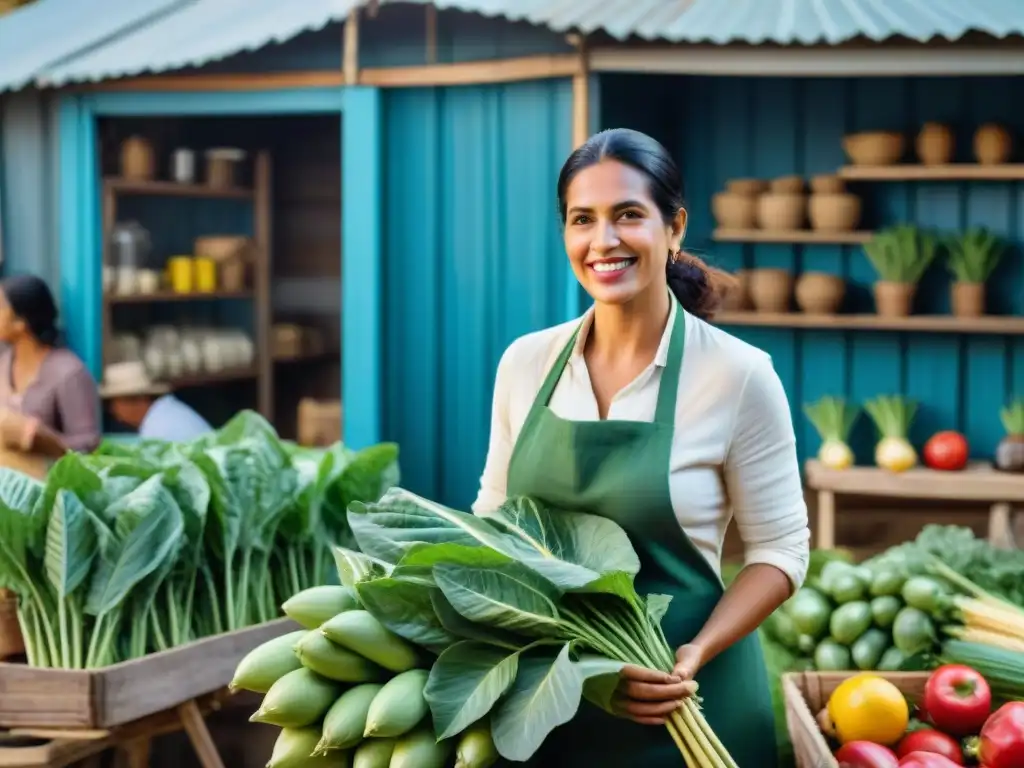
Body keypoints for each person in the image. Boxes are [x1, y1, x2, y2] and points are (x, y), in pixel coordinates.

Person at [473, 128, 810, 767]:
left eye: (628, 214)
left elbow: (781, 550)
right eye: (583, 219)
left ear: (674, 227)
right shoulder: (526, 364)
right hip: (553, 703)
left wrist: (696, 654)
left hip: (690, 708)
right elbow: (495, 520)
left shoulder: (737, 375)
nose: (604, 240)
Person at [0, 274, 101, 458]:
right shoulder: (3, 364)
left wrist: (43, 440)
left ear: (21, 322)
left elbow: (89, 446)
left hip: (48, 475)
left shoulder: (69, 373)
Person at [100, 361, 212, 442]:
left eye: (113, 404)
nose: (113, 411)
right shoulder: (166, 412)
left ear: (131, 401)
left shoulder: (155, 427)